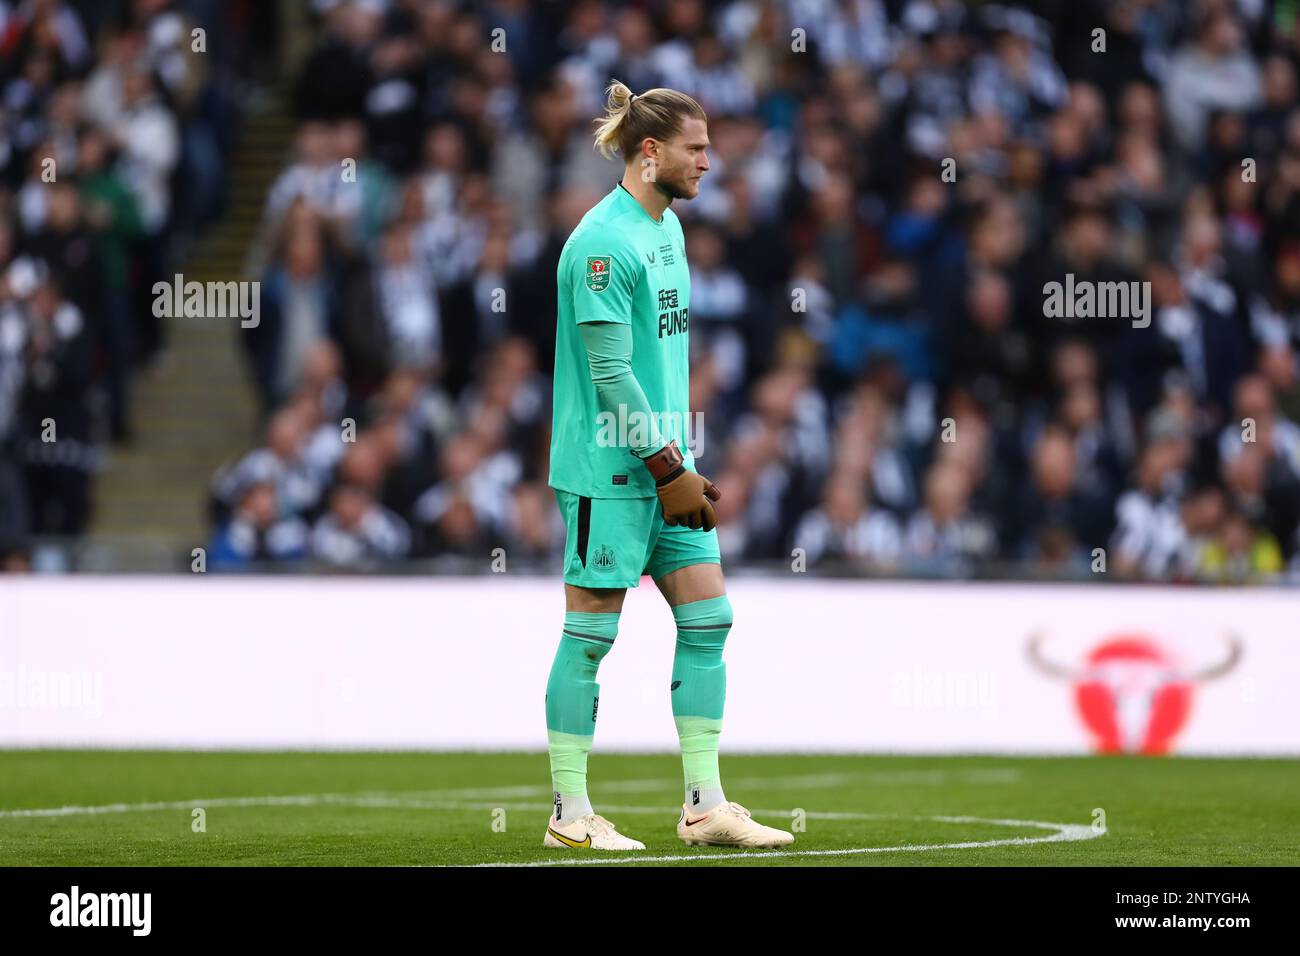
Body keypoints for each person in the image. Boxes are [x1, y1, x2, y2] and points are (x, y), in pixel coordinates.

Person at [542, 80, 793, 852]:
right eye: (695, 149)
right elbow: (612, 375)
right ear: (650, 154)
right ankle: (569, 816)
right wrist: (664, 466)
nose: (708, 163)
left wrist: (679, 461)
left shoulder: (668, 232)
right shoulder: (600, 245)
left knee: (710, 618)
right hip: (609, 473)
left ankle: (703, 804)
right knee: (590, 637)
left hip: (667, 464)